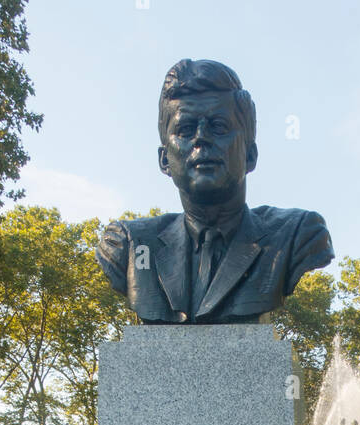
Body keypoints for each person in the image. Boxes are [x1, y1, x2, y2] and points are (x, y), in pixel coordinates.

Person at [96, 60, 334, 324]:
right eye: (185, 130)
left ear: (250, 154)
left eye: (218, 127)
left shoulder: (298, 235)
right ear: (164, 160)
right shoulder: (130, 245)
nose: (201, 139)